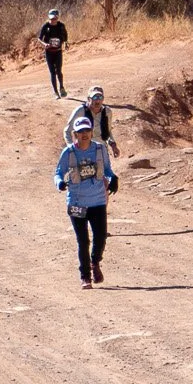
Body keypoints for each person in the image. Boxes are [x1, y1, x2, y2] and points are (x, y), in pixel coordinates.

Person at [54, 111, 114, 288]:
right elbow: (58, 172)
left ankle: (95, 262)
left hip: (98, 201)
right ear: (75, 134)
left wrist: (113, 179)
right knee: (83, 241)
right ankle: (85, 277)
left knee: (101, 237)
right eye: (81, 131)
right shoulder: (68, 152)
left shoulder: (99, 148)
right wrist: (59, 183)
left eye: (87, 130)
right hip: (77, 202)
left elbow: (108, 170)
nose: (85, 134)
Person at [63, 84, 118, 157]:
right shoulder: (80, 111)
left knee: (104, 168)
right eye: (95, 97)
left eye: (100, 97)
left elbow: (108, 131)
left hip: (101, 149)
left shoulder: (107, 112)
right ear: (89, 99)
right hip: (84, 150)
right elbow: (67, 131)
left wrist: (113, 145)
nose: (97, 100)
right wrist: (72, 149)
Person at [37, 8, 68, 98]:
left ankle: (62, 87)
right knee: (52, 73)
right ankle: (55, 92)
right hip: (49, 53)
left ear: (57, 17)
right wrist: (44, 44)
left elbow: (65, 37)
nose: (53, 20)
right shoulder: (45, 26)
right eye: (51, 18)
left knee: (59, 71)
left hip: (58, 52)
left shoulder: (61, 26)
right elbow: (39, 38)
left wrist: (65, 43)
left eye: (54, 18)